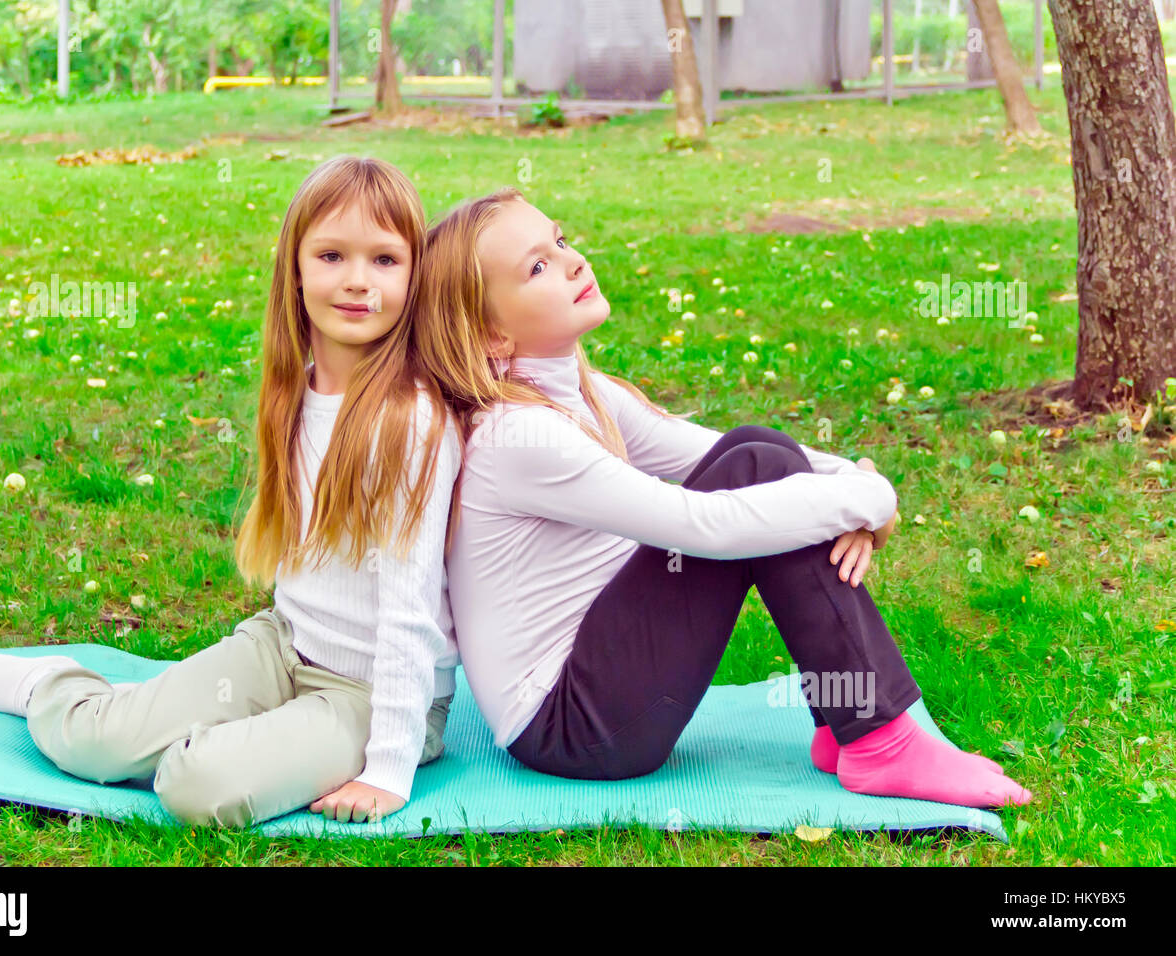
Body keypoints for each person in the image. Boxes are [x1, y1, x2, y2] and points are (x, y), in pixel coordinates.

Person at [412, 186, 1031, 809]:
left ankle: (849, 723)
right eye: (537, 267)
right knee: (757, 466)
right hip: (572, 730)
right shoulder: (519, 435)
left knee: (756, 449)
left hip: (594, 680)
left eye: (562, 241)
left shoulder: (577, 386)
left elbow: (700, 449)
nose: (572, 262)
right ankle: (879, 742)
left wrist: (855, 483)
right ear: (489, 333)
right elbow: (700, 525)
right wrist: (864, 501)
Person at [0, 155, 461, 827]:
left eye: (385, 260)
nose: (358, 281)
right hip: (284, 646)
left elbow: (412, 611)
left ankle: (219, 735)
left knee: (196, 785)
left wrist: (388, 766)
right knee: (98, 743)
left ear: (415, 277)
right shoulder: (295, 389)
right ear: (294, 272)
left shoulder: (411, 420)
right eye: (331, 255)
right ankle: (47, 683)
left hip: (370, 695)